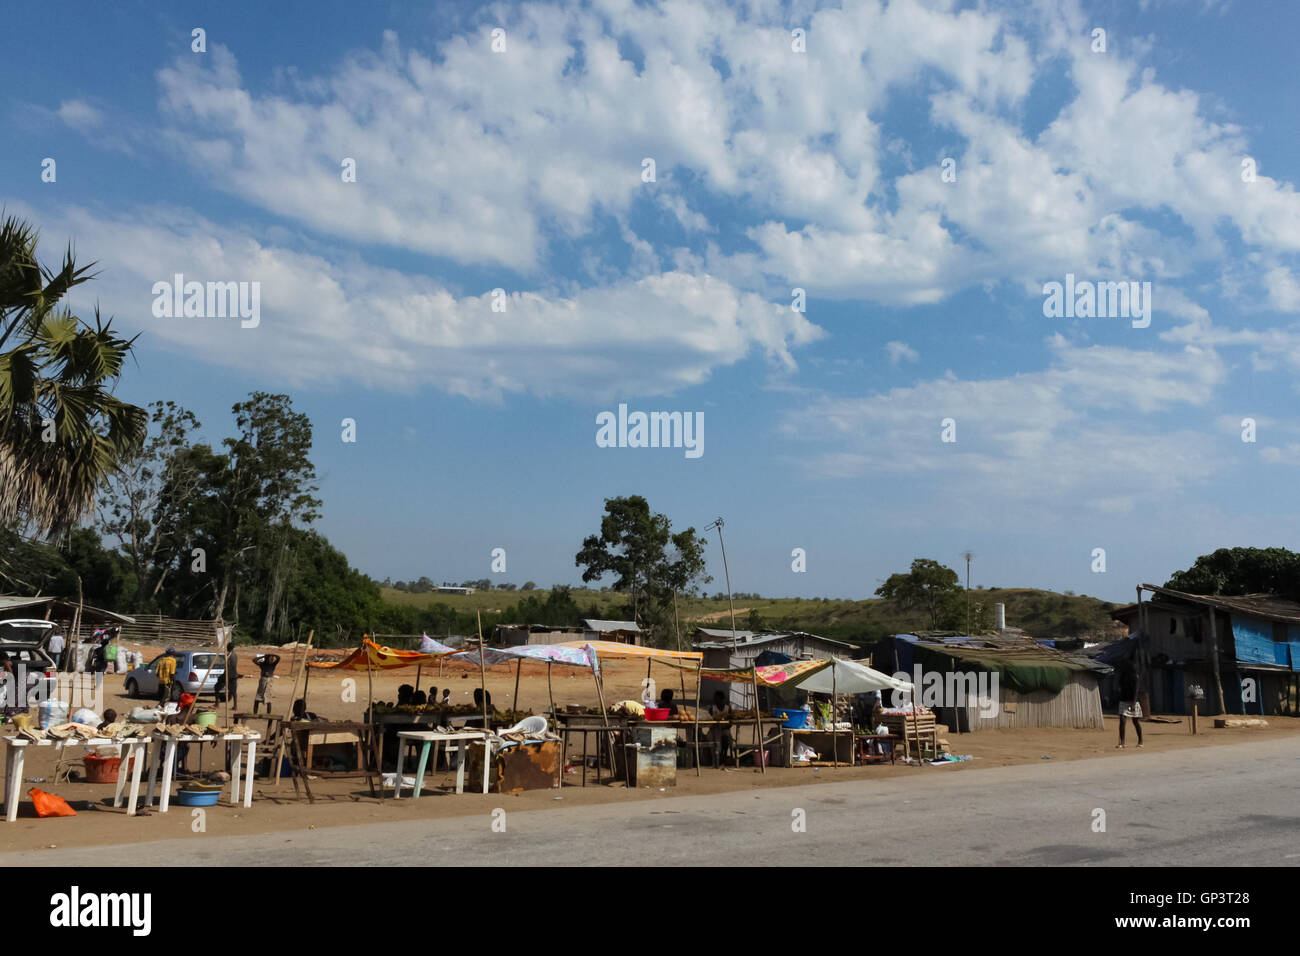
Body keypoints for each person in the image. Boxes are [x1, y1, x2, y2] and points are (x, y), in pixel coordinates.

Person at [1116, 657, 1144, 749]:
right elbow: (1119, 686)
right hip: (1124, 700)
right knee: (1122, 721)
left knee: (1135, 721)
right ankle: (1122, 742)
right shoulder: (1123, 676)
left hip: (1133, 701)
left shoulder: (1135, 676)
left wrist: (1133, 703)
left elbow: (1136, 690)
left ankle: (1140, 741)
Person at [706, 690, 734, 764]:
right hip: (714, 729)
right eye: (715, 699)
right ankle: (713, 757)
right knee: (710, 738)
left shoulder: (728, 709)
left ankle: (724, 754)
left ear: (722, 699)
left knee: (726, 737)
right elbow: (710, 720)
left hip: (725, 729)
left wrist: (724, 726)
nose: (715, 700)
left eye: (717, 699)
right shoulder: (712, 709)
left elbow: (731, 723)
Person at [222, 644, 240, 708]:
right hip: (232, 674)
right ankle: (234, 705)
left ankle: (235, 705)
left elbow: (229, 665)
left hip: (231, 675)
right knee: (232, 690)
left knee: (233, 690)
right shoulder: (233, 654)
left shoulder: (231, 655)